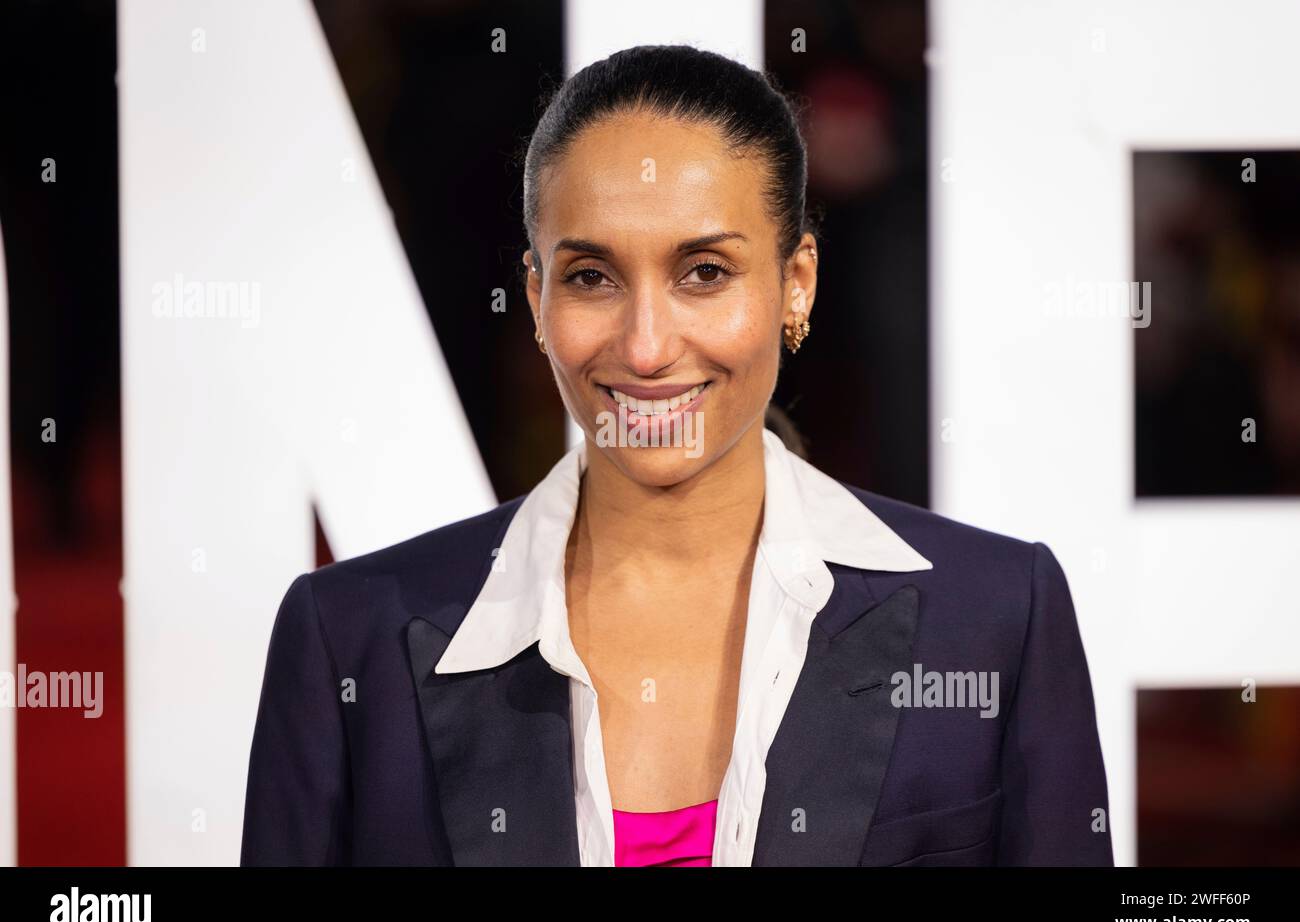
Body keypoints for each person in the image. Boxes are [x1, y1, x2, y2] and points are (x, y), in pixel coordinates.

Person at [240, 44, 1113, 866]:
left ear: (795, 284)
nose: (648, 346)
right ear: (537, 296)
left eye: (703, 272)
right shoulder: (348, 641)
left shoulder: (997, 617)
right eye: (591, 277)